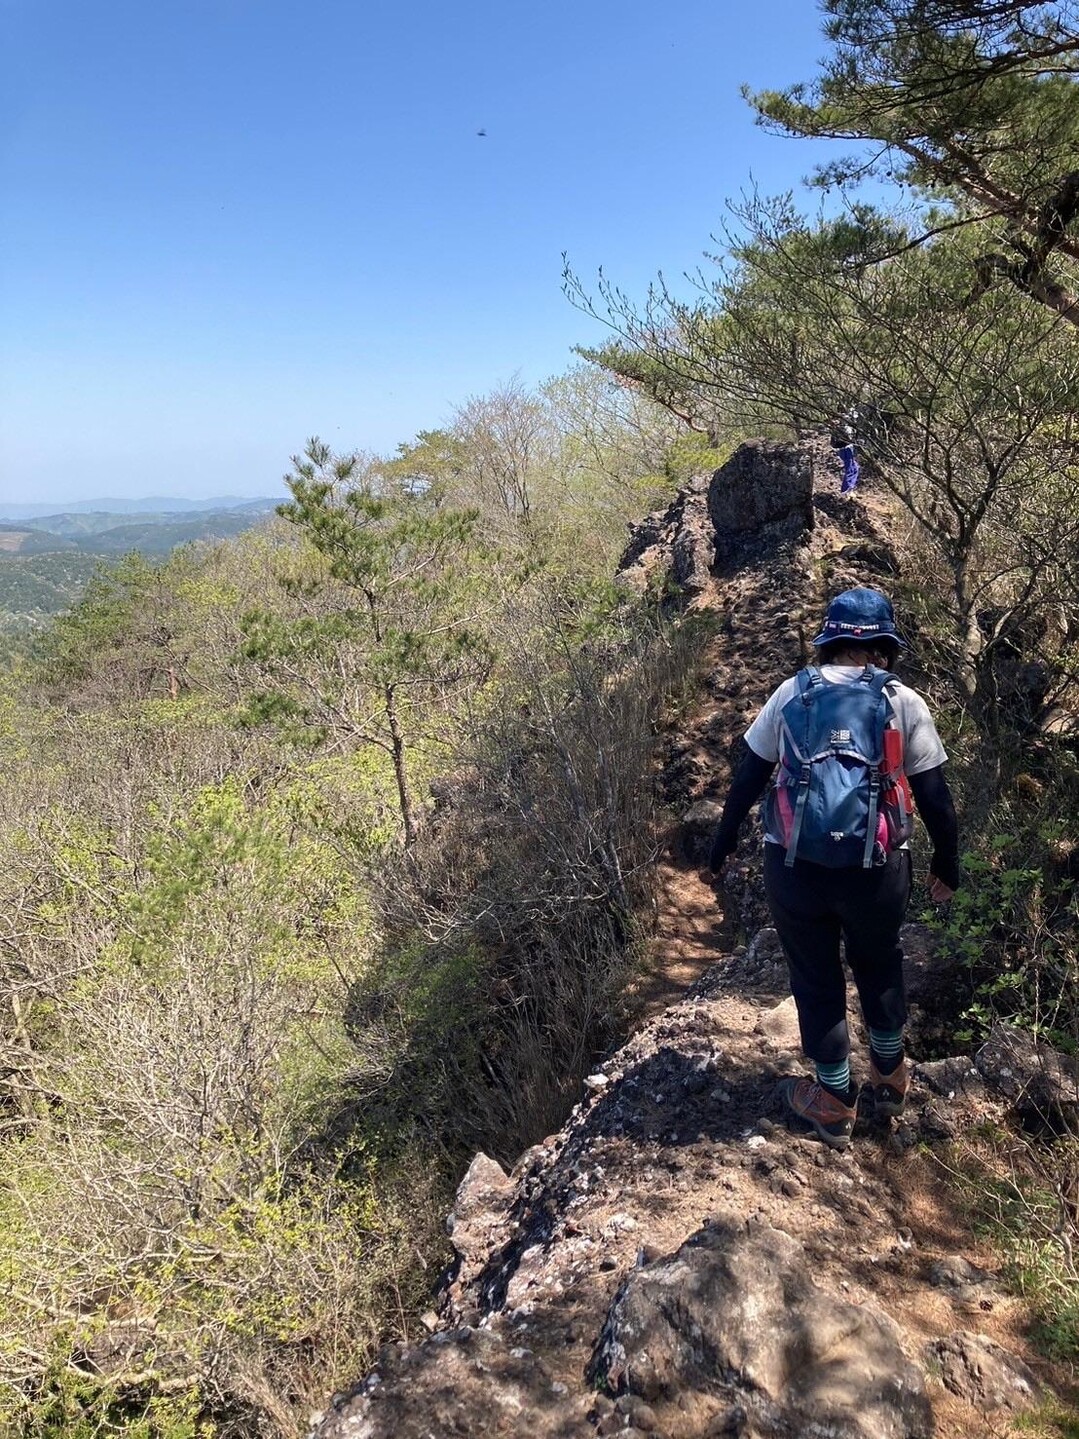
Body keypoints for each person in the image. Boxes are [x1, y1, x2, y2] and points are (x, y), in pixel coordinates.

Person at [703, 587, 959, 1150]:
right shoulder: (902, 701)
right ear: (884, 645)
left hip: (796, 866)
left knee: (815, 976)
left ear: (830, 640)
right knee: (880, 960)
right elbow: (934, 797)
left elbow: (748, 778)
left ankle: (835, 1101)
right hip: (878, 869)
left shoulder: (790, 694)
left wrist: (721, 848)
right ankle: (890, 1080)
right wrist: (948, 861)